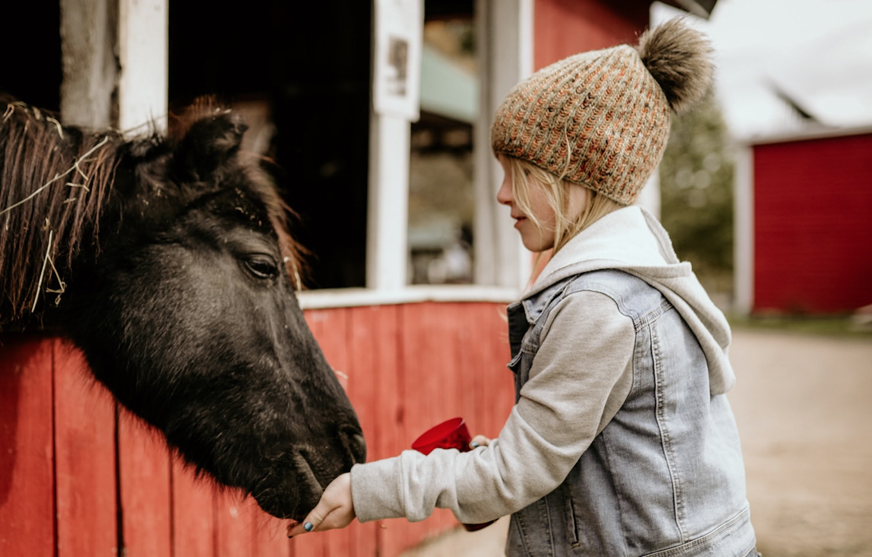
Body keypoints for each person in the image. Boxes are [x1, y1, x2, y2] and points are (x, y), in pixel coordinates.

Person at [287, 19, 760, 557]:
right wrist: (484, 463)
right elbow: (567, 453)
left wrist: (368, 487)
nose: (502, 195)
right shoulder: (635, 280)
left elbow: (516, 474)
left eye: (520, 171)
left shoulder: (598, 306)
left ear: (579, 175)